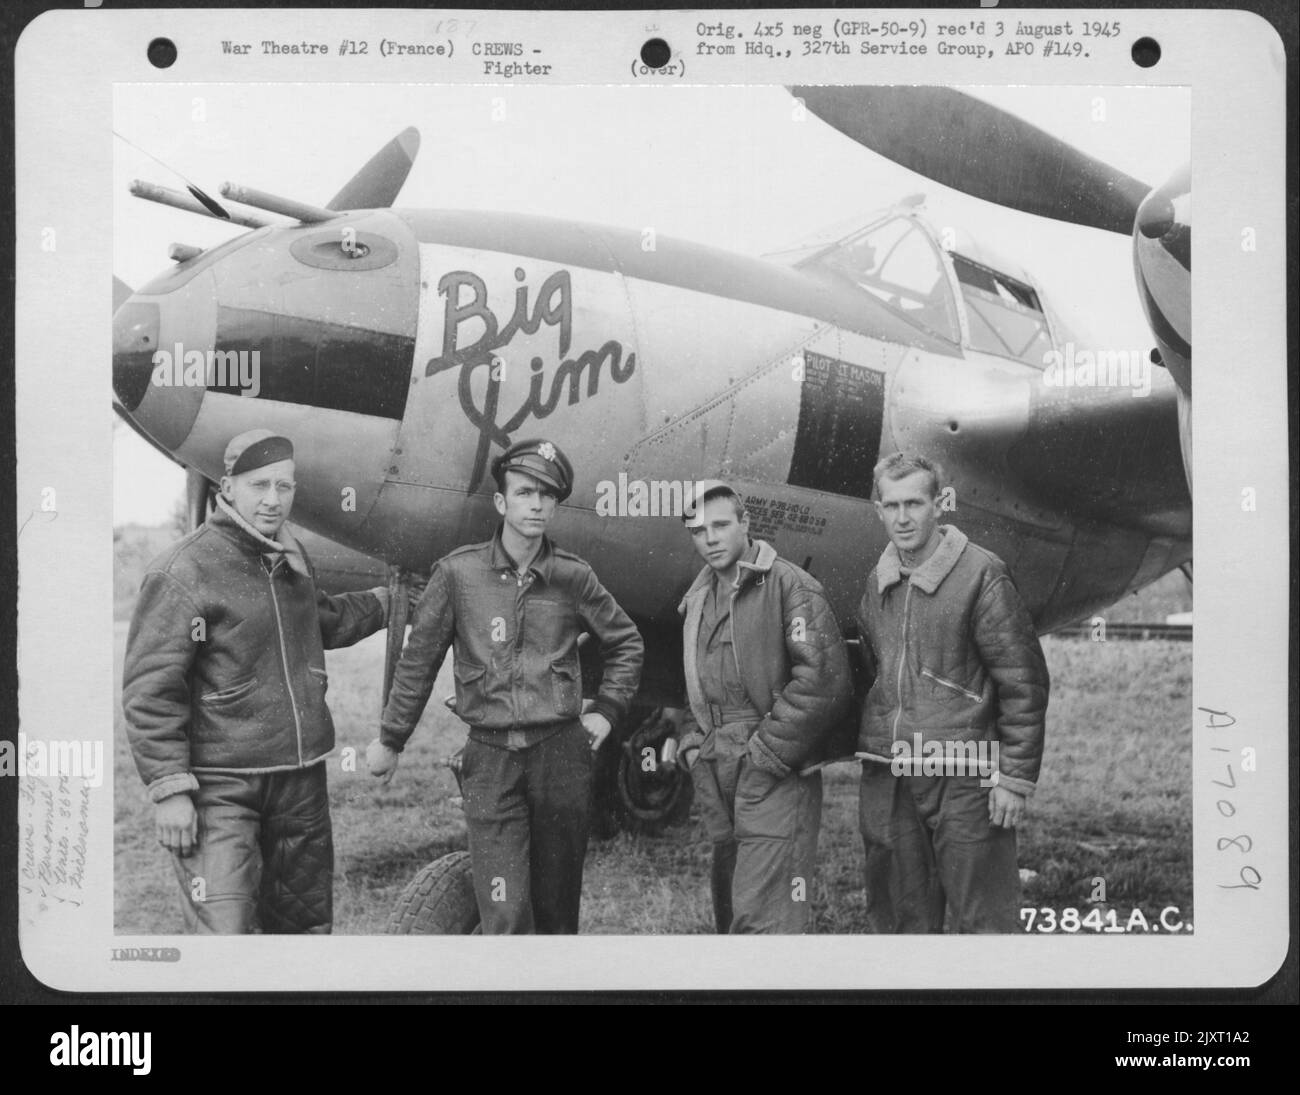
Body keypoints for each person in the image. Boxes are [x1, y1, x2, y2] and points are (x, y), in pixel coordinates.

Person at [368, 439, 643, 934]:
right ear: (502, 502)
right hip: (490, 761)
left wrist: (606, 710)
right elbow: (419, 661)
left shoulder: (572, 577)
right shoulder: (457, 574)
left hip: (560, 758)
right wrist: (391, 739)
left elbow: (626, 643)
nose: (536, 504)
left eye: (546, 495)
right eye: (524, 492)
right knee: (506, 909)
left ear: (556, 505)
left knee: (557, 912)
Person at [122, 428, 390, 933]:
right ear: (228, 486)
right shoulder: (183, 570)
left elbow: (324, 620)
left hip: (300, 780)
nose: (273, 500)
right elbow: (150, 692)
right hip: (221, 786)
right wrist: (170, 790)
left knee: (303, 930)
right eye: (259, 485)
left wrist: (390, 601)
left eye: (284, 487)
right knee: (225, 937)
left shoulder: (289, 557)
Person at [856, 452, 1049, 933]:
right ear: (878, 508)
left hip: (964, 774)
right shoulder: (876, 582)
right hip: (893, 771)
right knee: (902, 923)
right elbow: (872, 670)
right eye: (891, 505)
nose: (902, 518)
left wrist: (1014, 778)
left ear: (939, 504)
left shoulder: (981, 574)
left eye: (915, 504)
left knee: (983, 923)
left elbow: (1023, 681)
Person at [675, 480, 852, 933]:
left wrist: (767, 753)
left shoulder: (790, 585)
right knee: (732, 909)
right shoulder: (697, 597)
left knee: (764, 918)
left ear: (746, 524)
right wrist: (693, 740)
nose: (710, 538)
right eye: (698, 530)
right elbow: (693, 677)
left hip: (769, 761)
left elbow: (824, 681)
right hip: (718, 764)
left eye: (720, 525)